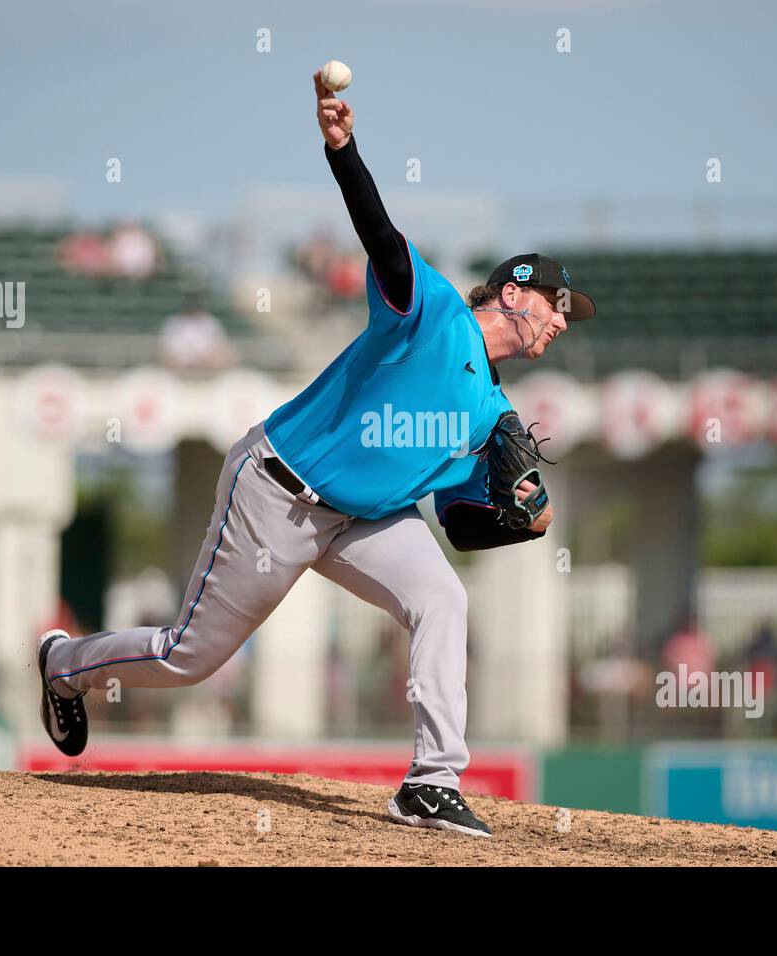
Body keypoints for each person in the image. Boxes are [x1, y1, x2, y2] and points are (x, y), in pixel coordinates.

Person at [34, 70, 596, 838]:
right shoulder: (432, 312)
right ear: (514, 293)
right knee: (189, 657)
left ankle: (431, 783)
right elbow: (380, 235)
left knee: (444, 598)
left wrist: (521, 523)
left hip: (367, 520)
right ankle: (65, 665)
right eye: (559, 306)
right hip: (279, 491)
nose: (564, 323)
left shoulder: (495, 416)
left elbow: (461, 525)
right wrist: (344, 149)